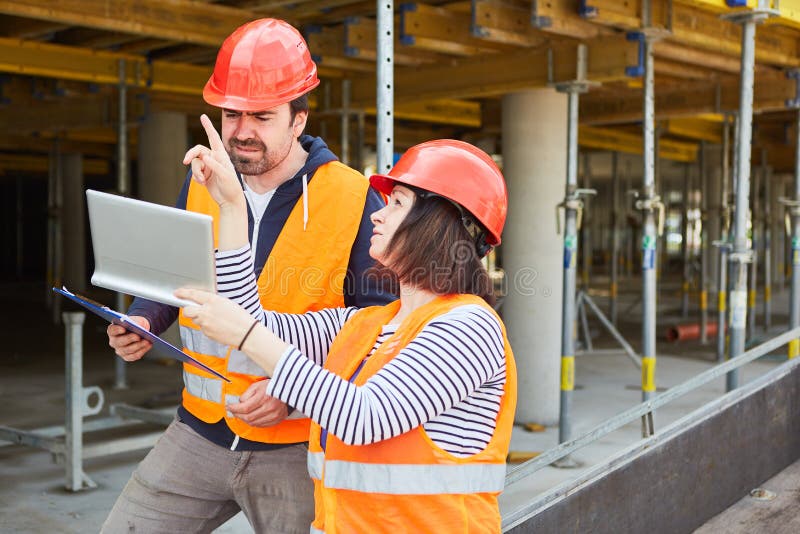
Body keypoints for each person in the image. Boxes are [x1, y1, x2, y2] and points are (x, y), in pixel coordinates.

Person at [103, 18, 391, 533]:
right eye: (231, 114)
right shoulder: (201, 182)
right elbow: (178, 276)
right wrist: (145, 318)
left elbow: (378, 324)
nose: (242, 131)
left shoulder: (351, 196)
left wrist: (292, 389)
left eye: (262, 116)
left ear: (298, 120)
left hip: (296, 444)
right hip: (198, 431)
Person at [176, 120, 518, 533]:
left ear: (438, 224)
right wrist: (231, 206)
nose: (378, 214)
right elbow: (252, 322)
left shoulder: (468, 326)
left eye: (398, 203)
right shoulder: (367, 323)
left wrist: (249, 335)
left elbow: (365, 417)